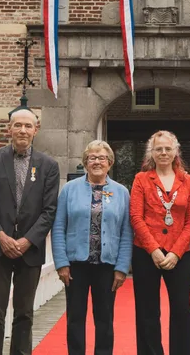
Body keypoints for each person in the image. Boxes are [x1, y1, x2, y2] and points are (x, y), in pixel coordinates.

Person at [0, 107, 60, 355]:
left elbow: (49, 210)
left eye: (28, 126)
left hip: (29, 251)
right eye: (18, 125)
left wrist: (27, 241)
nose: (22, 130)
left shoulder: (48, 165)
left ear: (36, 130)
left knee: (24, 314)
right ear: (9, 129)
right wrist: (1, 237)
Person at [51, 140, 133, 355]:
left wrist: (122, 267)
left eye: (102, 158)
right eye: (92, 158)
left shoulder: (121, 192)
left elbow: (126, 232)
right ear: (85, 162)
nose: (97, 162)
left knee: (105, 318)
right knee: (75, 317)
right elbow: (58, 226)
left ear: (110, 162)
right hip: (76, 264)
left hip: (107, 265)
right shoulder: (69, 190)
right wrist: (61, 262)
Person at [129, 131, 190, 355]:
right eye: (158, 149)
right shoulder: (141, 179)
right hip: (146, 253)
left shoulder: (188, 181)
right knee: (147, 310)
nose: (163, 153)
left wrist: (176, 252)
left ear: (175, 151)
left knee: (181, 308)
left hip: (179, 254)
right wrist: (153, 249)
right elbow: (136, 217)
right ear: (151, 152)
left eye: (168, 149)